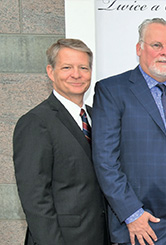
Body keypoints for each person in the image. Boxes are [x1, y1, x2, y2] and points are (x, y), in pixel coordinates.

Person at [92, 18, 166, 245]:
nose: (165, 52)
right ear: (139, 48)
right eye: (156, 45)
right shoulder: (112, 91)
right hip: (142, 224)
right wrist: (132, 214)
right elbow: (105, 161)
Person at [13, 38, 109, 245]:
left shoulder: (99, 118)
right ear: (50, 72)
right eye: (67, 67)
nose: (76, 74)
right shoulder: (36, 122)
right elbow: (35, 198)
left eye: (83, 67)